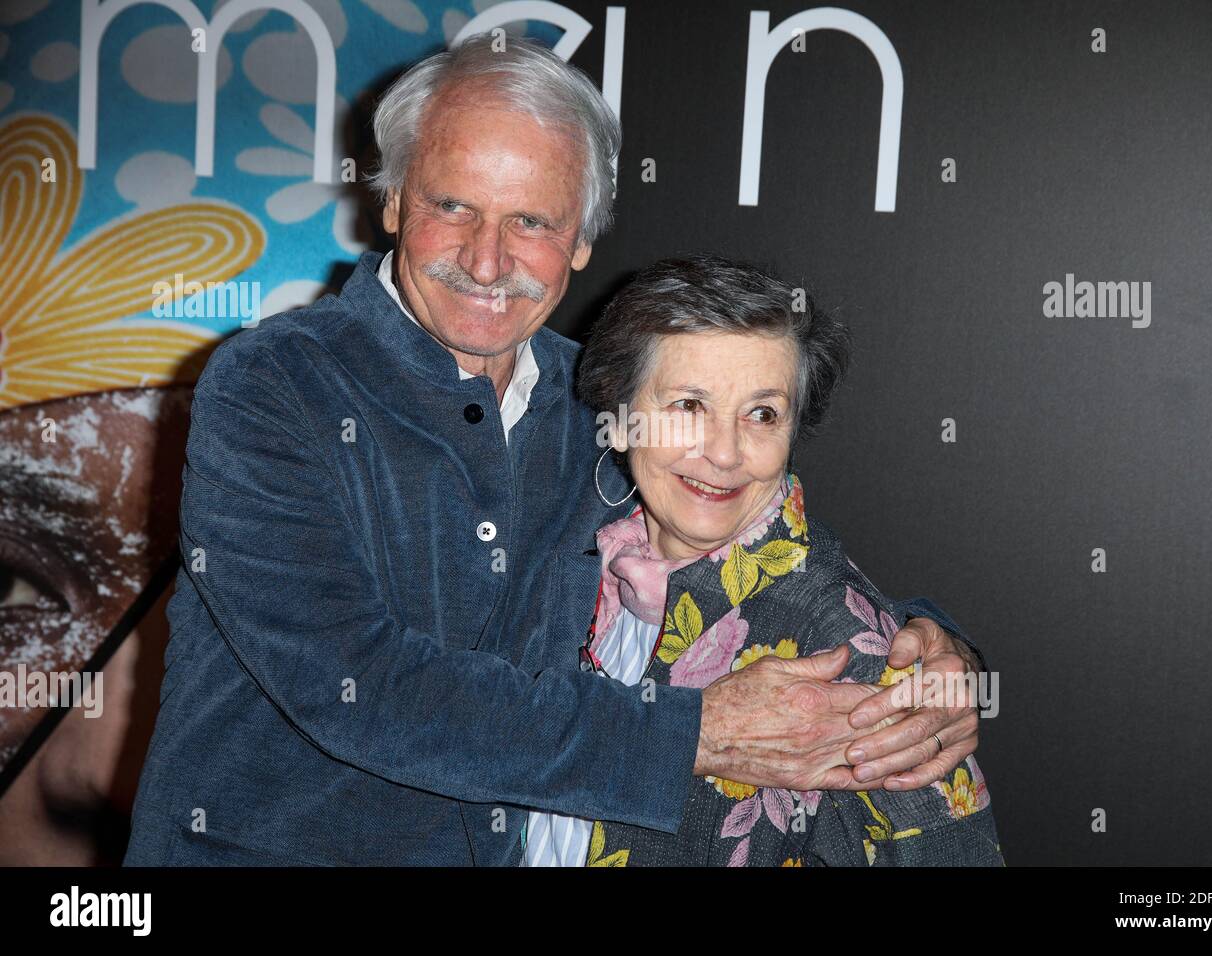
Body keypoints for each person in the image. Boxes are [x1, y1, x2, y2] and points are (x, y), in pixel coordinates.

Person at [124, 35, 987, 866]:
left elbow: (746, 540)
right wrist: (697, 734)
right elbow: (361, 686)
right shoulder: (270, 386)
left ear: (580, 241)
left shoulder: (601, 403)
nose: (487, 259)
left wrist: (920, 646)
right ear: (392, 202)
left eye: (532, 220)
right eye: (451, 205)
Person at [522, 255, 1000, 866]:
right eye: (690, 404)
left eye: (762, 414)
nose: (724, 452)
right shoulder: (573, 569)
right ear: (617, 418)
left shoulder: (847, 647)